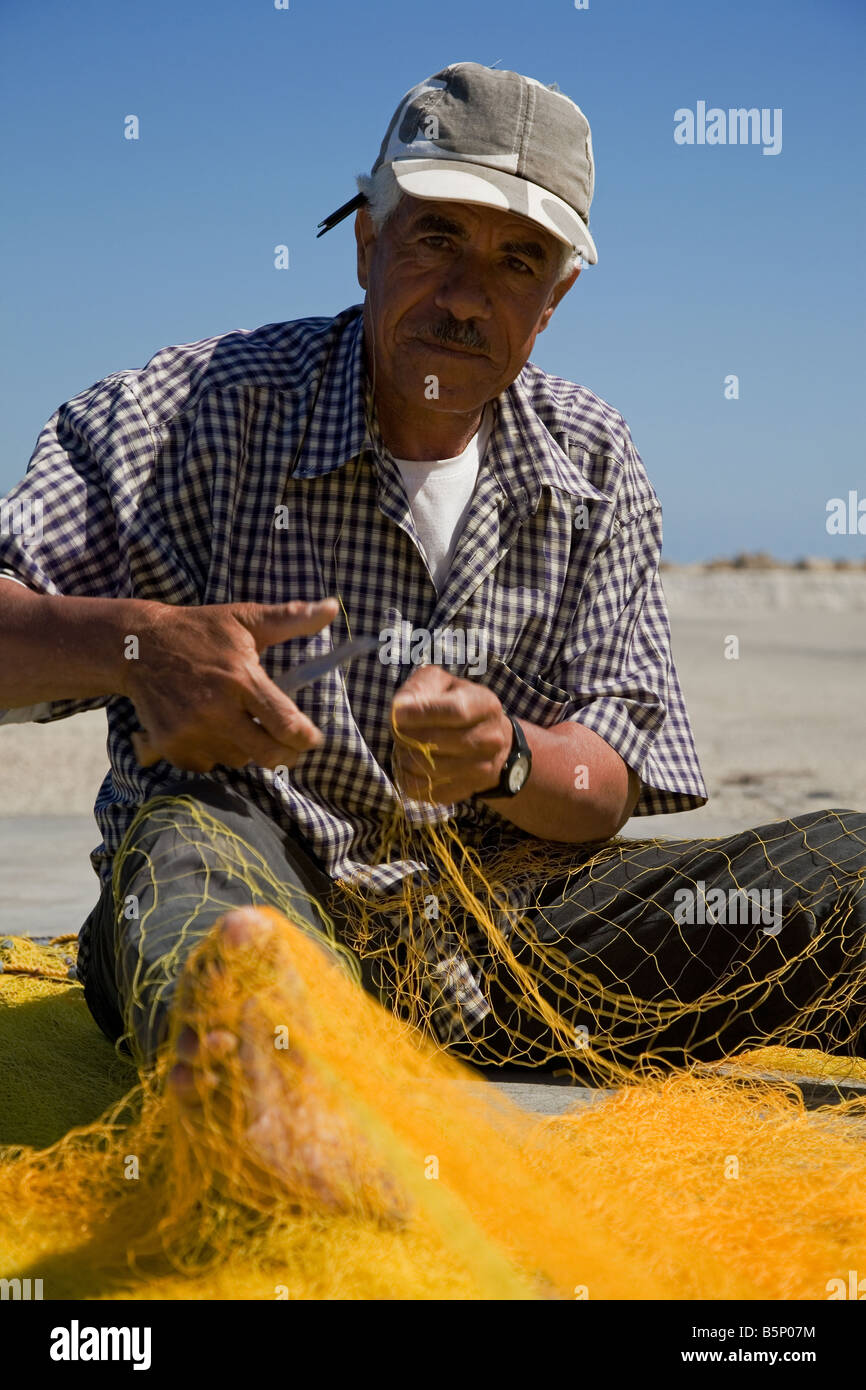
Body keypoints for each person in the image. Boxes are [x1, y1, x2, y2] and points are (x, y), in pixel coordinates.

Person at [1, 63, 864, 1180]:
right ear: (365, 242)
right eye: (434, 239)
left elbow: (608, 780)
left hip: (512, 950)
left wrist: (511, 759)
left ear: (553, 301)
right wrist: (136, 644)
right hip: (255, 885)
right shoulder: (197, 409)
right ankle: (268, 1112)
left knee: (844, 865)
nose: (466, 293)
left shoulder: (592, 463)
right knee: (196, 868)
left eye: (516, 263)